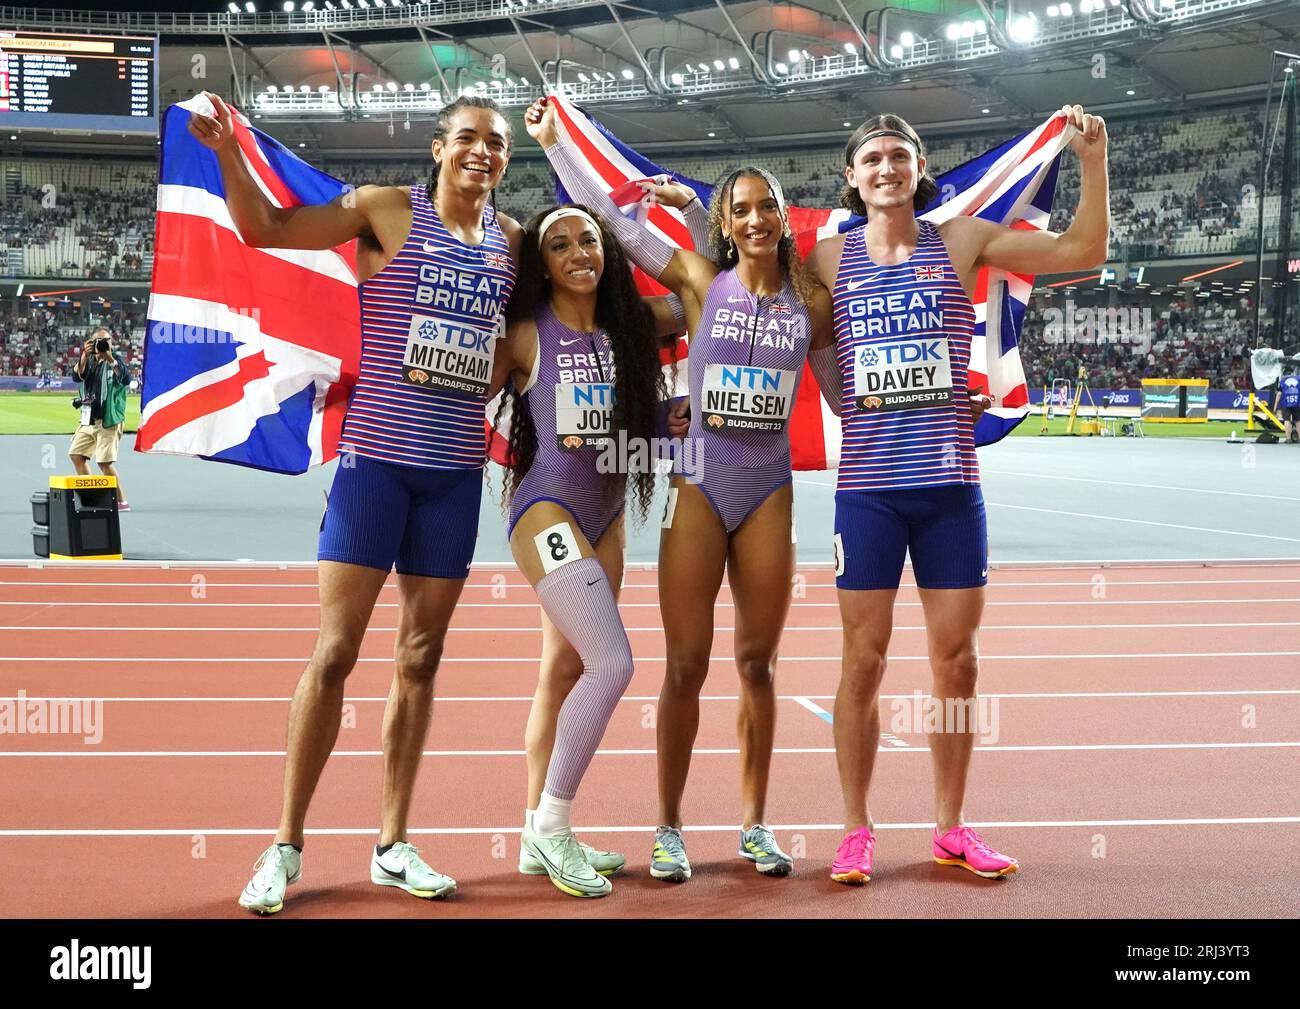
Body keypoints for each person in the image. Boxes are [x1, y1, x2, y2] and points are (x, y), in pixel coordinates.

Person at [185, 90, 524, 914]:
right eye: (470, 139)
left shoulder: (512, 243)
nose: (484, 152)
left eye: (499, 144)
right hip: (375, 463)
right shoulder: (384, 211)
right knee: (335, 652)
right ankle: (286, 844)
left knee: (420, 659)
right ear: (439, 148)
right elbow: (268, 231)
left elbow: (535, 335)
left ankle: (392, 843)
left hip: (451, 476)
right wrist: (228, 149)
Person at [528, 96, 840, 881]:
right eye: (743, 209)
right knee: (685, 664)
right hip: (695, 487)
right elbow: (612, 220)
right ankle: (667, 825)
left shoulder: (813, 303)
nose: (759, 217)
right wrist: (559, 142)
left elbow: (849, 392)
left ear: (781, 218)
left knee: (758, 664)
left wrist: (945, 405)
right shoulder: (700, 281)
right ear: (727, 225)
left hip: (769, 490)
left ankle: (754, 824)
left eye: (768, 204)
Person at [804, 104, 1109, 883]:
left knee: (958, 664)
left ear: (917, 166)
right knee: (863, 661)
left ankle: (950, 823)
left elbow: (1083, 249)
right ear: (851, 174)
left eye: (897, 156)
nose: (884, 168)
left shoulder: (961, 239)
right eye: (870, 158)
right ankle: (854, 827)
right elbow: (776, 329)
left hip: (949, 488)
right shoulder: (828, 260)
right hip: (867, 492)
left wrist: (1092, 159)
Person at [490, 203, 687, 896]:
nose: (579, 252)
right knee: (612, 661)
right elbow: (458, 401)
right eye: (560, 244)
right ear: (540, 263)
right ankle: (553, 824)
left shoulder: (636, 326)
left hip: (605, 519)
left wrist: (674, 217)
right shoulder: (523, 335)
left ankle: (529, 830)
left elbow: (706, 288)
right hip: (544, 508)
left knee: (564, 668)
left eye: (592, 240)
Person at [69, 327, 131, 511]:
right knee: (76, 455)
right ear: (91, 343)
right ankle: (93, 495)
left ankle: (121, 501)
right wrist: (84, 356)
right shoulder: (88, 361)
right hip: (88, 419)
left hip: (108, 420)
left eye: (107, 340)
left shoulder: (116, 360)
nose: (104, 344)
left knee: (104, 463)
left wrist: (110, 358)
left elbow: (126, 378)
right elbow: (76, 376)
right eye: (100, 341)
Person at [1272, 363, 1299, 442]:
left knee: (1287, 420)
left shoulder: (1282, 381)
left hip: (1286, 403)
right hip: (1297, 402)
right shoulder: (1298, 379)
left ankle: (1288, 438)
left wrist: (1275, 407)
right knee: (1298, 421)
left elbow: (1279, 394)